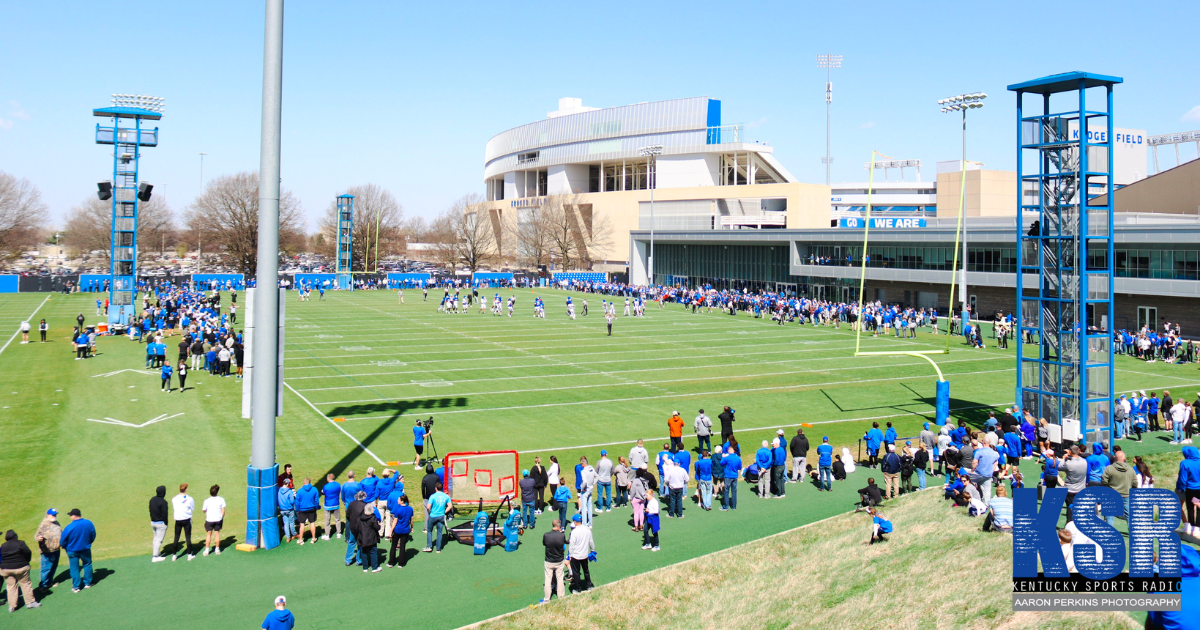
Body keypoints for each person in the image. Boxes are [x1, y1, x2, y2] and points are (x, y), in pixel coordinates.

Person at [1, 529, 40, 611]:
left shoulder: (3, 546)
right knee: (25, 583)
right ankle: (30, 602)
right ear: (15, 536)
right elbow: (28, 552)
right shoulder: (20, 543)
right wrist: (26, 561)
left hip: (6, 569)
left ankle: (12, 606)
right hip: (20, 568)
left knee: (11, 586)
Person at [59, 508, 95, 592]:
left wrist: (65, 547)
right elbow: (93, 535)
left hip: (72, 551)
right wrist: (88, 543)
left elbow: (63, 540)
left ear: (74, 516)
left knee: (74, 568)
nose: (70, 517)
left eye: (71, 515)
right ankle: (88, 583)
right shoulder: (89, 523)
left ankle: (76, 587)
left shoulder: (69, 527)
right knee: (87, 564)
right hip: (85, 549)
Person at [541, 519, 568, 603]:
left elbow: (544, 543)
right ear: (559, 526)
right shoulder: (562, 536)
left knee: (548, 579)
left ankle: (547, 598)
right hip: (559, 560)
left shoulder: (546, 535)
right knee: (560, 578)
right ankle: (561, 596)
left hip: (549, 560)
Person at [34, 509, 61, 589]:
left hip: (56, 549)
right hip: (47, 551)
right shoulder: (43, 524)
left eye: (55, 514)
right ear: (48, 515)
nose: (54, 516)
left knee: (53, 567)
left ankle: (49, 582)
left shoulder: (56, 523)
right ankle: (43, 585)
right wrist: (39, 538)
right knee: (46, 568)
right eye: (53, 515)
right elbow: (36, 537)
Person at [568, 514, 594, 593]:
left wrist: (570, 555)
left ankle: (578, 589)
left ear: (575, 522)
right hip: (584, 554)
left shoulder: (574, 532)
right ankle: (589, 586)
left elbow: (571, 545)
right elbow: (591, 541)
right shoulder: (587, 529)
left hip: (576, 556)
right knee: (586, 570)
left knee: (576, 573)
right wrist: (592, 550)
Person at [423, 482, 451, 553]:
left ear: (435, 488)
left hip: (432, 516)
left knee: (429, 531)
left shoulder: (432, 496)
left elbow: (428, 507)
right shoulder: (446, 496)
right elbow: (450, 506)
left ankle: (429, 546)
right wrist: (444, 512)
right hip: (441, 516)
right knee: (439, 532)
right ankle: (438, 548)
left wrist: (429, 512)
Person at [1178, 446, 1200, 536]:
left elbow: (1183, 478)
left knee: (1190, 508)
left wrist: (1181, 488)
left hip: (1190, 489)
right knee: (1199, 508)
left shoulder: (1184, 463)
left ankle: (1191, 527)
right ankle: (1198, 528)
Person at [171, 483, 196, 561]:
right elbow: (192, 508)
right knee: (188, 537)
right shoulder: (190, 499)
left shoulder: (174, 499)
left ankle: (174, 555)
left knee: (176, 537)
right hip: (186, 519)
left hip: (178, 520)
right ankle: (189, 555)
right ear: (186, 490)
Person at [388, 494, 413, 568]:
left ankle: (391, 562)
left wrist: (391, 530)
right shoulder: (410, 509)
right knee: (402, 546)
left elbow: (395, 521)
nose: (397, 501)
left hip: (398, 530)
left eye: (398, 500)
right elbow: (411, 520)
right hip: (405, 530)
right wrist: (411, 527)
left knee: (393, 546)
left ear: (402, 501)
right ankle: (401, 563)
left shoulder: (398, 510)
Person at [201, 484, 226, 556]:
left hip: (209, 520)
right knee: (217, 534)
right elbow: (223, 510)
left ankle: (206, 550)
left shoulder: (207, 500)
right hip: (218, 519)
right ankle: (217, 549)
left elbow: (204, 510)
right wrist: (221, 518)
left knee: (208, 534)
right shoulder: (221, 499)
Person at [357, 502, 382, 573]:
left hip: (362, 538)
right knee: (373, 552)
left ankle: (365, 567)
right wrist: (379, 525)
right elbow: (377, 527)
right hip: (371, 538)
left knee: (364, 552)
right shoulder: (373, 518)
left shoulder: (359, 518)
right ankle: (374, 567)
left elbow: (356, 527)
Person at [295, 477, 320, 544]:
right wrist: (316, 507)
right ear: (310, 482)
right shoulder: (314, 489)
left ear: (304, 483)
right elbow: (316, 500)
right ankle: (313, 538)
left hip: (302, 510)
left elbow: (297, 502)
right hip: (312, 509)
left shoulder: (300, 491)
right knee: (312, 523)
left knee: (302, 524)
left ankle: (301, 539)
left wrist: (297, 510)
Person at [149, 486, 168, 562]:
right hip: (160, 524)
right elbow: (164, 514)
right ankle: (155, 556)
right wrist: (166, 523)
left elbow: (150, 510)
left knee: (155, 538)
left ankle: (156, 552)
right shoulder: (163, 502)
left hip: (153, 522)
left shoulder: (152, 500)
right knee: (159, 540)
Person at [321, 473, 342, 540]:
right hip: (336, 504)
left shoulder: (325, 486)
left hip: (328, 505)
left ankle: (327, 535)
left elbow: (323, 493)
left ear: (328, 479)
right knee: (337, 519)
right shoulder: (338, 485)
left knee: (327, 520)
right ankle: (338, 533)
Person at [720, 445, 741, 510]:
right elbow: (739, 467)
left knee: (726, 491)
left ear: (729, 451)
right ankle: (734, 506)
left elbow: (721, 463)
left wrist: (723, 457)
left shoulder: (727, 457)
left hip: (728, 476)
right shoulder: (738, 458)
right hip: (735, 476)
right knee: (734, 491)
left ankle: (726, 506)